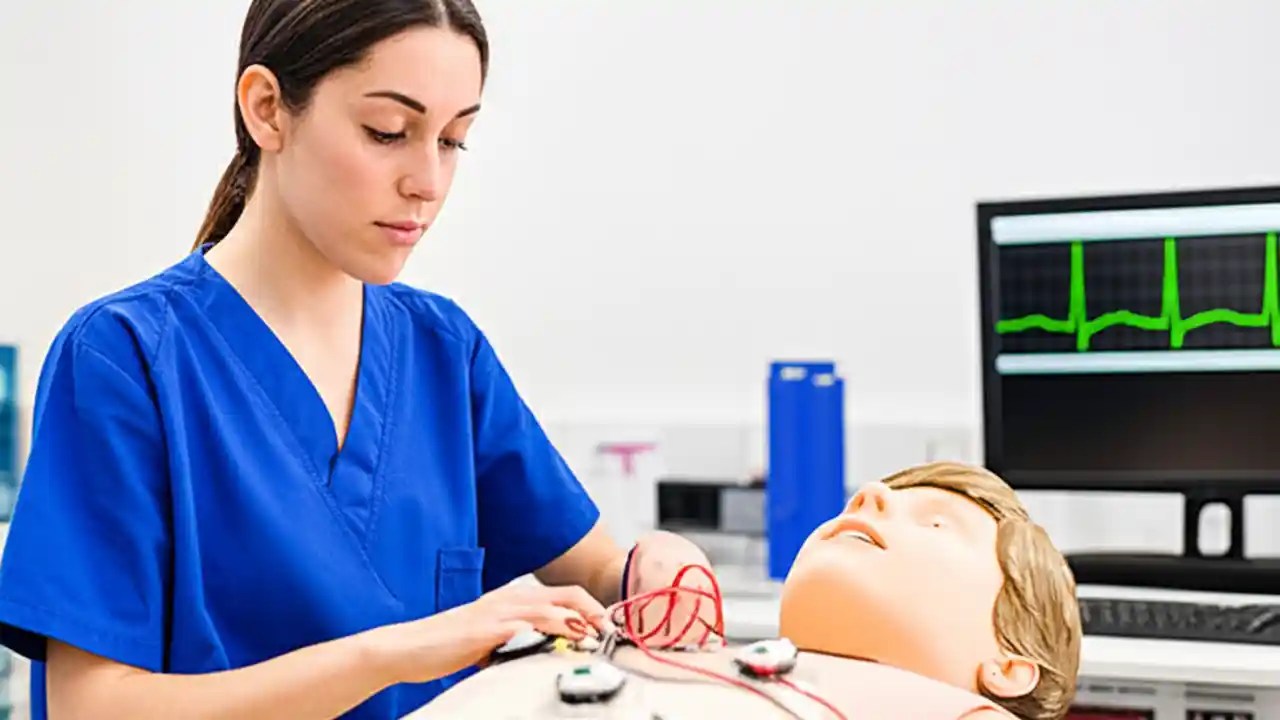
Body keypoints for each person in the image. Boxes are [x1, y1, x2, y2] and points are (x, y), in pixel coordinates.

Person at [0, 2, 715, 718]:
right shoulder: (126, 358)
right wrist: (397, 652)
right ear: (267, 109)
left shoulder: (444, 352)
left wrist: (654, 566)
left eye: (454, 140)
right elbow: (90, 707)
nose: (427, 182)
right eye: (388, 132)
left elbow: (593, 570)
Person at [403, 462, 1083, 720]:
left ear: (1010, 668)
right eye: (867, 497)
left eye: (937, 522)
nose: (871, 495)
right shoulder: (684, 657)